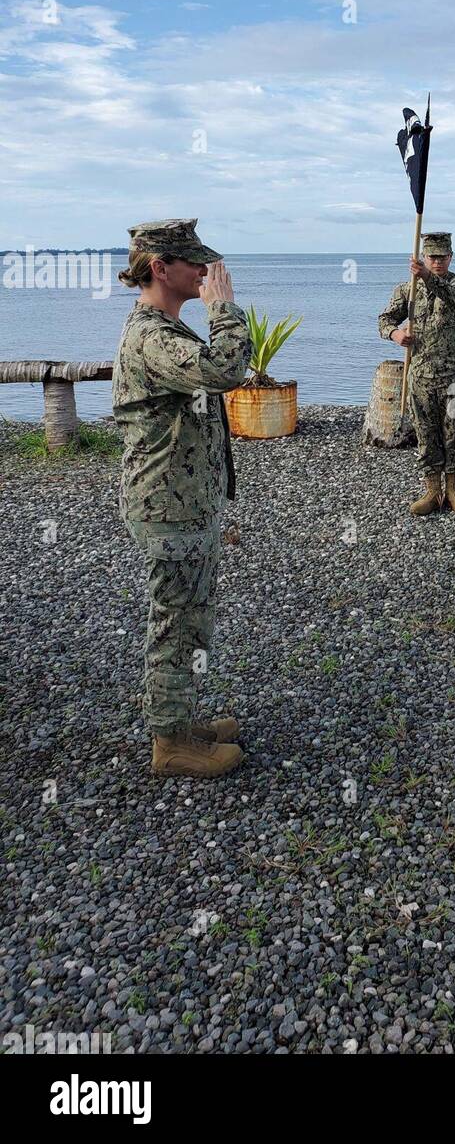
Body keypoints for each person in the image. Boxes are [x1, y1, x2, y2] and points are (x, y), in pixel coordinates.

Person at [113, 220, 251, 775]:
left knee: (192, 616)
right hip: (167, 506)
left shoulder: (164, 328)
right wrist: (224, 309)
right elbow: (225, 370)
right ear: (159, 268)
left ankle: (179, 718)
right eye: (193, 262)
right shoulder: (152, 337)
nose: (204, 271)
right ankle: (169, 744)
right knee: (175, 619)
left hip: (185, 501)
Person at [378, 231, 455, 515]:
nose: (437, 262)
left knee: (453, 433)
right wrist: (395, 333)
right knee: (426, 434)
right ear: (423, 257)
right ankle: (432, 491)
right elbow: (384, 319)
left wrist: (426, 277)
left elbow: (451, 296)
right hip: (421, 375)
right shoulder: (408, 289)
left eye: (442, 257)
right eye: (432, 257)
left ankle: (454, 491)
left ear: (451, 257)